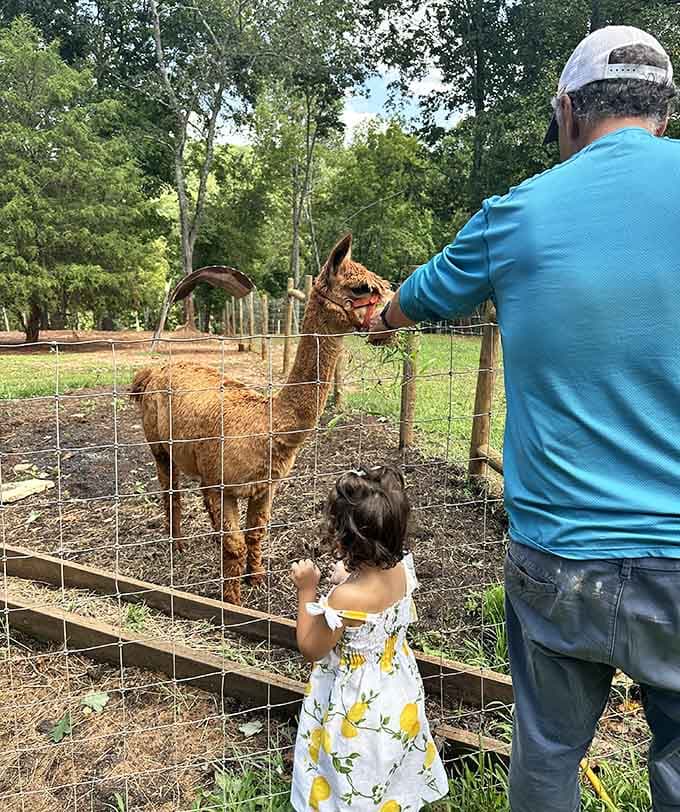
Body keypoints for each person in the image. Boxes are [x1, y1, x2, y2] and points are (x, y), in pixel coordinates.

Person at [368, 25, 680, 812]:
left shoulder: (520, 213)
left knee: (545, 755)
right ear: (665, 114)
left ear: (568, 111)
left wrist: (379, 320)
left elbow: (420, 296)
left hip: (559, 558)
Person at [289, 466, 448, 811]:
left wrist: (308, 590)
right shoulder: (403, 568)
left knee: (352, 769)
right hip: (398, 691)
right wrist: (351, 573)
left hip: (356, 705)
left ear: (345, 539)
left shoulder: (346, 601)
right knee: (385, 762)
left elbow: (310, 647)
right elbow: (380, 597)